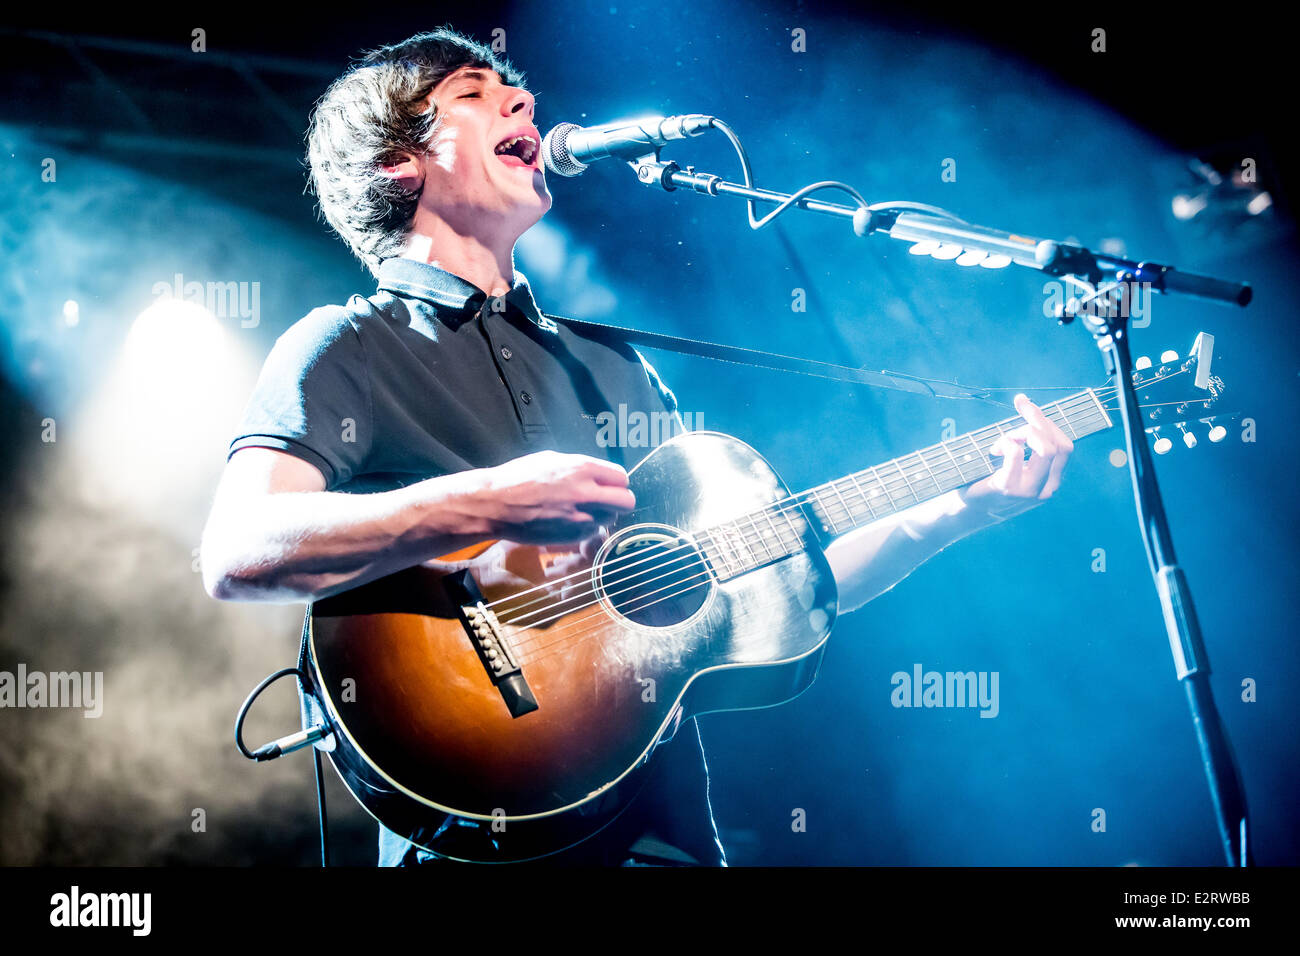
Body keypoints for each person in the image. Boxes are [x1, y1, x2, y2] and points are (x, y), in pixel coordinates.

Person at [199, 28, 1073, 867]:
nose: (525, 99)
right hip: (470, 843)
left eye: (516, 89)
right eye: (478, 95)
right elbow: (238, 552)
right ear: (399, 163)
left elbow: (763, 596)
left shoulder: (610, 363)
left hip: (663, 840)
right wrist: (487, 504)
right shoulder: (346, 344)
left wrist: (961, 513)